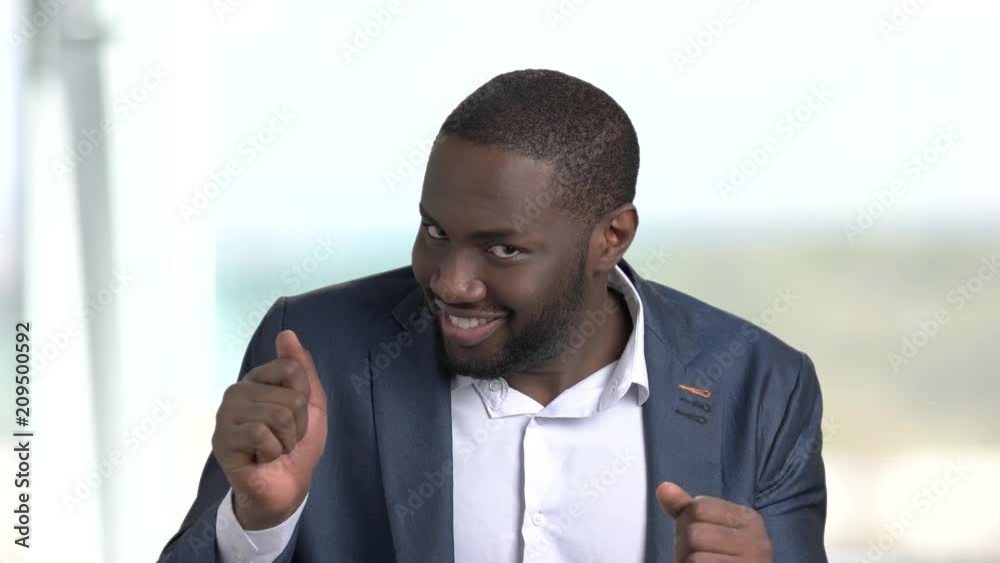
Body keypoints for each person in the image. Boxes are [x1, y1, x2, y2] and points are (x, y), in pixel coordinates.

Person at [159, 69, 827, 563]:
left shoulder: (761, 386)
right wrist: (257, 521)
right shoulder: (319, 352)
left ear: (612, 237)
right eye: (435, 231)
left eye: (503, 248)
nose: (451, 281)